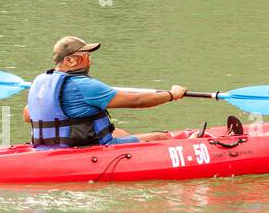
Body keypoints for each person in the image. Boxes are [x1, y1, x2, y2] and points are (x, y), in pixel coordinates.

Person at [23, 36, 186, 148]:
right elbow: (137, 101)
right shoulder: (85, 85)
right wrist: (172, 95)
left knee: (117, 132)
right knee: (159, 138)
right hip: (86, 147)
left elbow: (27, 115)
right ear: (70, 60)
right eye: (85, 55)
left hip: (50, 146)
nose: (89, 60)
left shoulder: (39, 82)